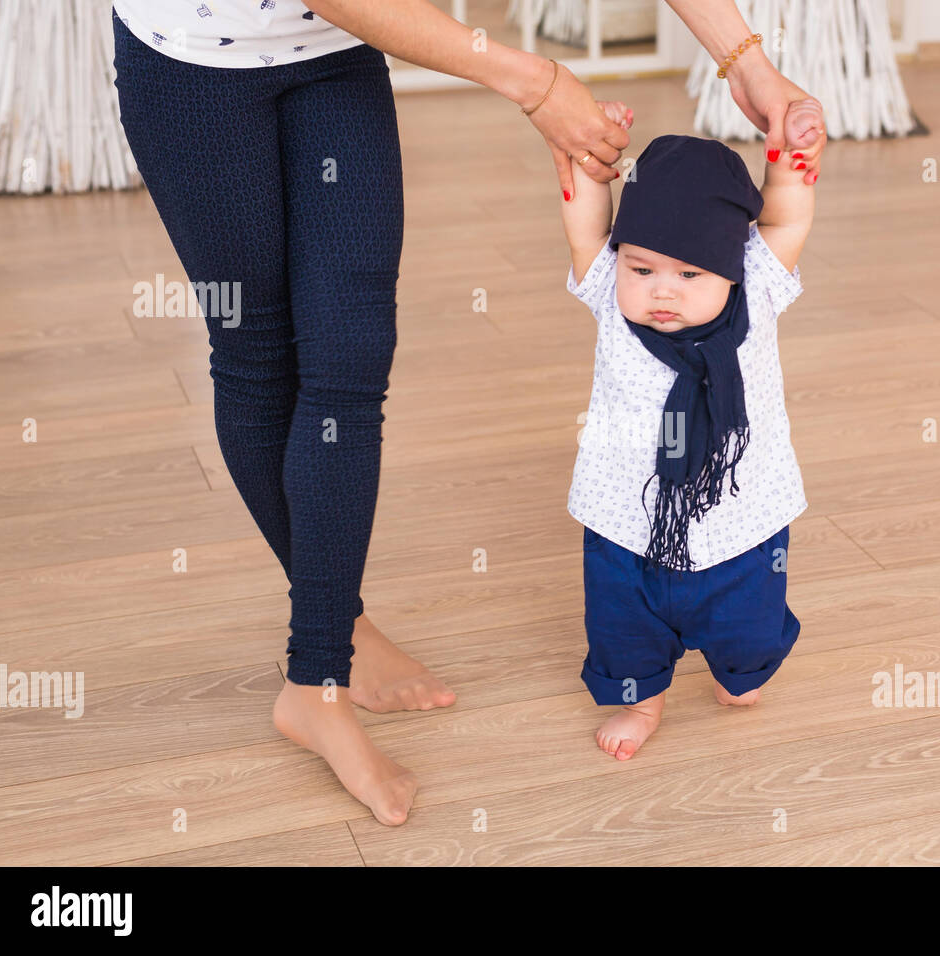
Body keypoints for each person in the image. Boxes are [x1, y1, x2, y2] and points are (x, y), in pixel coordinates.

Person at [110, 0, 825, 825]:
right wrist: (535, 81)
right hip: (194, 58)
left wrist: (747, 63)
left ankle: (323, 646)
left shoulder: (749, 289)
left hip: (339, 42)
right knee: (257, 351)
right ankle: (324, 665)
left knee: (349, 364)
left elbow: (778, 220)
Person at [561, 103, 823, 760]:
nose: (661, 294)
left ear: (732, 267)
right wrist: (591, 153)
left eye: (689, 274)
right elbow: (585, 224)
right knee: (625, 627)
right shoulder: (609, 298)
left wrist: (789, 157)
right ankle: (643, 700)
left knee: (749, 632)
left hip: (744, 522)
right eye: (642, 269)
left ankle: (739, 671)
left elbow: (786, 215)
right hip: (626, 523)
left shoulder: (756, 289)